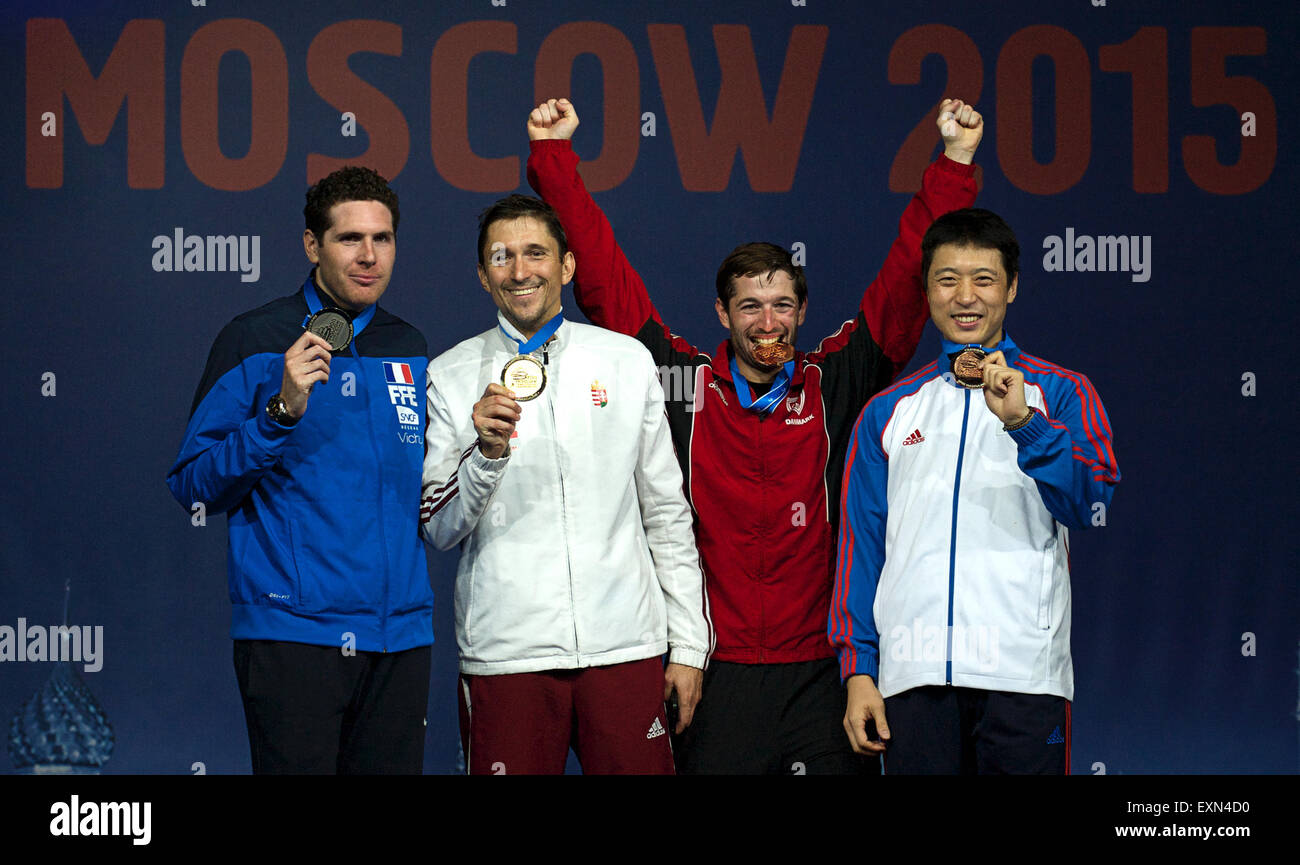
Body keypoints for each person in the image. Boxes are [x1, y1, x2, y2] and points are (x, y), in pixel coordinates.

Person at [525, 97, 982, 773]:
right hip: (715, 670)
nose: (767, 322)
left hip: (822, 673)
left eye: (781, 305)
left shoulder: (838, 382)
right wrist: (555, 158)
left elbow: (904, 286)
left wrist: (955, 162)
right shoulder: (682, 384)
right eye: (749, 306)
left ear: (801, 308)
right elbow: (603, 283)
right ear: (722, 311)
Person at [420, 194, 711, 775]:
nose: (521, 270)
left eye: (536, 253)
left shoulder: (625, 360)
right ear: (483, 274)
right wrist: (485, 455)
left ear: (568, 266)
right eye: (502, 257)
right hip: (508, 656)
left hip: (626, 648)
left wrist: (688, 645)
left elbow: (666, 513)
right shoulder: (451, 374)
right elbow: (438, 527)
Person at [832, 208, 1120, 774]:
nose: (966, 296)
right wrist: (860, 669)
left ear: (1011, 287)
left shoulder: (1061, 393)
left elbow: (1090, 504)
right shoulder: (887, 412)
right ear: (927, 290)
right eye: (947, 279)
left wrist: (1024, 425)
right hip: (912, 676)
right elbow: (861, 550)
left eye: (983, 279)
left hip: (1023, 676)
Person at [166, 166, 434, 774]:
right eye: (349, 239)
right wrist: (278, 413)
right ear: (312, 245)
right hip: (294, 633)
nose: (369, 257)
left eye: (383, 239)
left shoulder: (410, 344)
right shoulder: (255, 339)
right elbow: (192, 483)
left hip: (401, 637)